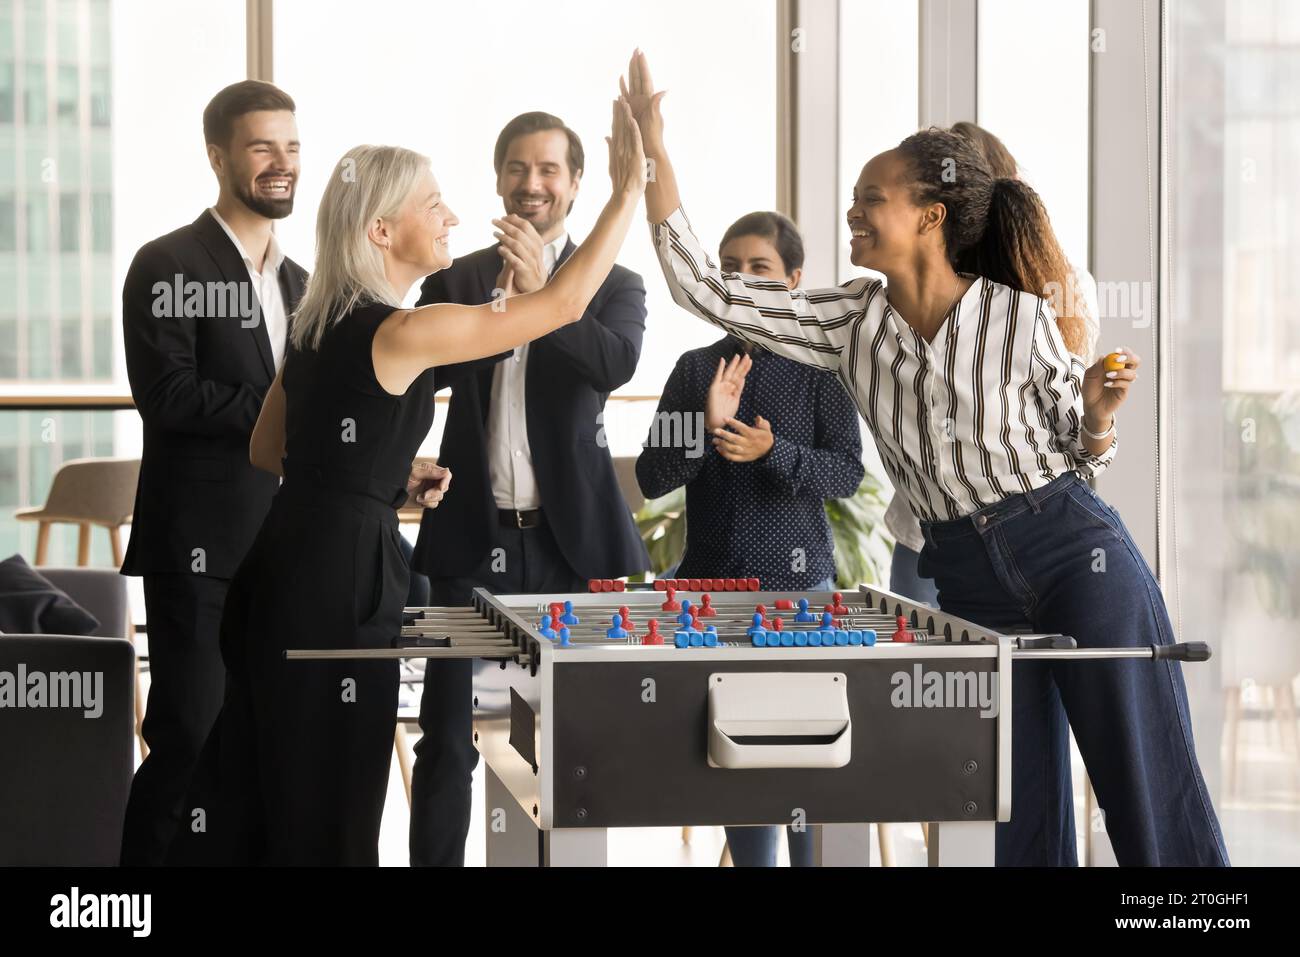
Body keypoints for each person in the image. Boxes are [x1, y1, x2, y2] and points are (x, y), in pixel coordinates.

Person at [622, 49, 1227, 866]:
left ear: (932, 216)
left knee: (1149, 795)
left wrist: (1093, 417)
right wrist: (652, 149)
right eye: (854, 202)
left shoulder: (1019, 317)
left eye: (872, 200)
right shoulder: (847, 323)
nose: (854, 215)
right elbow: (704, 287)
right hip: (966, 574)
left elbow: (1079, 460)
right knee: (1018, 810)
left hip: (1073, 551)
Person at [169, 97, 648, 865]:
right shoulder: (401, 329)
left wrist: (380, 480)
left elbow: (269, 449)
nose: (453, 214)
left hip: (282, 562)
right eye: (433, 203)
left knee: (261, 788)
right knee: (334, 800)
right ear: (382, 230)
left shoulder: (318, 319)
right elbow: (558, 303)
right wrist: (630, 188)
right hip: (338, 581)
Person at [407, 112, 649, 867]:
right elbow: (406, 377)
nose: (533, 183)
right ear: (499, 178)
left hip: (569, 543)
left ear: (578, 183)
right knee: (447, 737)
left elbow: (612, 366)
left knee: (566, 740)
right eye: (518, 168)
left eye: (549, 169)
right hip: (468, 538)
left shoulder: (616, 282)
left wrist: (547, 295)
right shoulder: (458, 278)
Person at [637, 210, 863, 867]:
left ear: (793, 280)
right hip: (712, 601)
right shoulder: (692, 368)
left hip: (801, 599)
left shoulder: (822, 370)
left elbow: (846, 473)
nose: (738, 278)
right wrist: (707, 427)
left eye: (757, 267)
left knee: (809, 762)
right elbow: (654, 477)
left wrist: (773, 450)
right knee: (738, 762)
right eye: (727, 267)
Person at [119, 80, 308, 866]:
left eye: (292, 146)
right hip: (196, 547)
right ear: (218, 155)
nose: (281, 164)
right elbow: (167, 395)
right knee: (189, 737)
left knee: (266, 751)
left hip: (284, 550)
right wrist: (281, 408)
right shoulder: (166, 263)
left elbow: (316, 421)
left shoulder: (300, 284)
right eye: (263, 147)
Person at [884, 121, 1102, 609]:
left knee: (1006, 674)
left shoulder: (1053, 290)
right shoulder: (908, 294)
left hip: (1029, 531)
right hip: (927, 533)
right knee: (929, 674)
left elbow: (1072, 423)